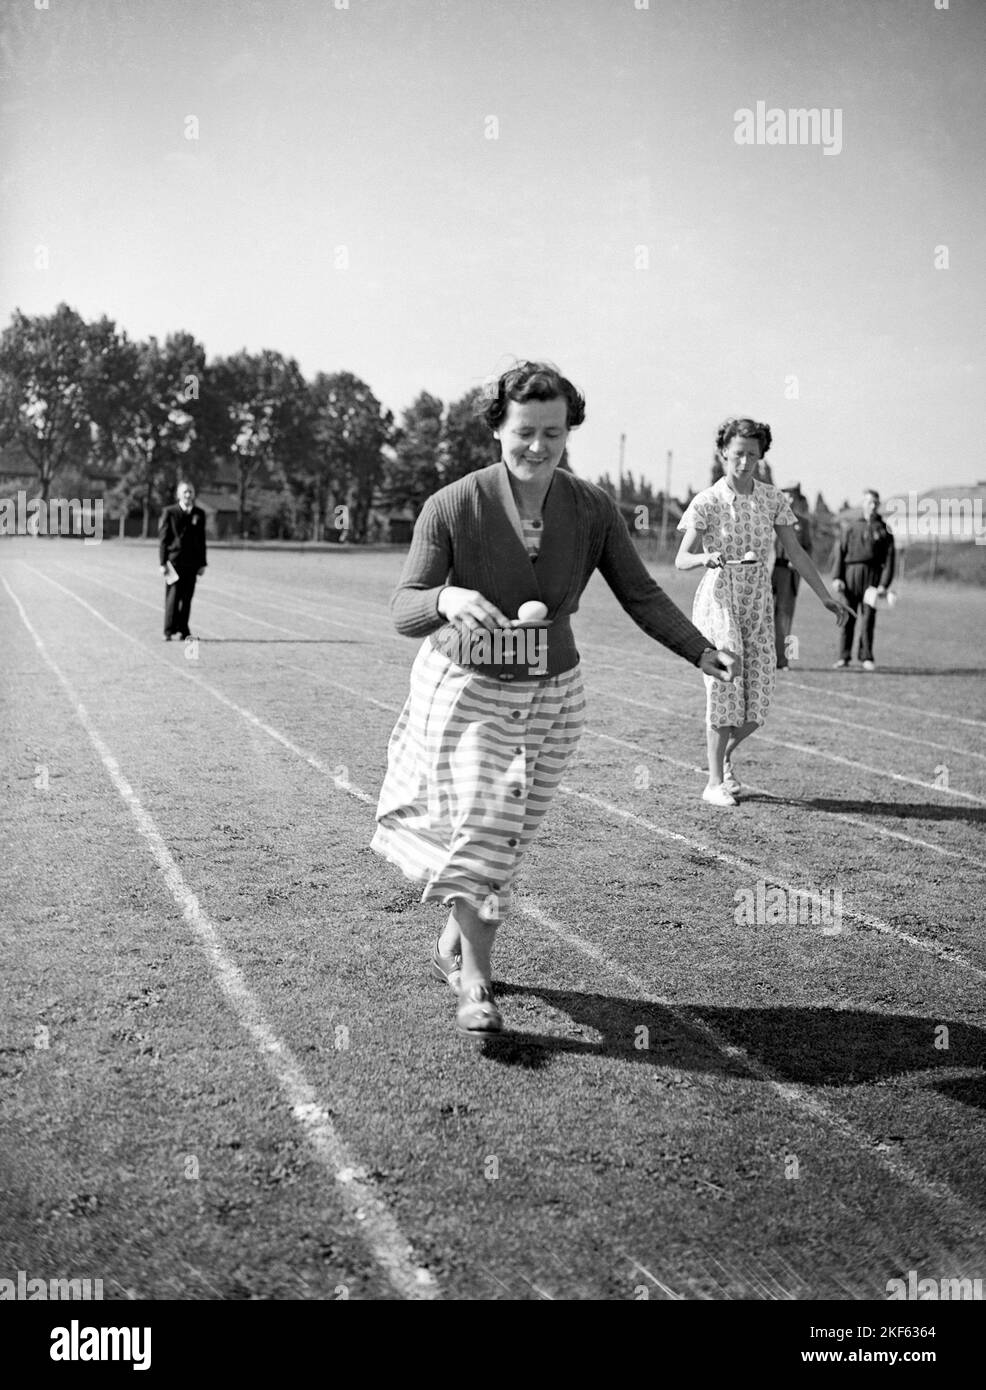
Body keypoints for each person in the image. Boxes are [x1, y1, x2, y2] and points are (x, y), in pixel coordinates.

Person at [371, 361, 737, 1038]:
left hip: (554, 697)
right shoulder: (453, 505)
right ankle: (476, 983)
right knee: (484, 823)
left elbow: (641, 591)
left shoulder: (591, 508)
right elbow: (404, 607)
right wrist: (447, 598)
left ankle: (457, 942)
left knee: (507, 838)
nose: (537, 446)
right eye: (523, 432)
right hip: (472, 690)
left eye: (553, 432)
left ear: (569, 431)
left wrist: (698, 648)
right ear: (496, 431)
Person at [676, 418, 851, 807]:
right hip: (719, 599)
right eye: (738, 454)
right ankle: (714, 783)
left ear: (761, 456)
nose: (744, 462)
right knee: (728, 678)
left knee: (757, 705)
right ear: (724, 454)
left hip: (758, 601)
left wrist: (824, 596)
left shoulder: (773, 499)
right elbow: (681, 557)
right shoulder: (707, 501)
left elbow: (796, 552)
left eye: (752, 455)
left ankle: (722, 755)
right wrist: (706, 557)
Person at [833, 489, 896, 671]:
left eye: (876, 503)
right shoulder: (851, 527)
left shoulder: (884, 530)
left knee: (868, 619)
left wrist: (884, 584)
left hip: (872, 578)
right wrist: (838, 577)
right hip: (851, 575)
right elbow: (840, 552)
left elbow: (890, 560)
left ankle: (866, 656)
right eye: (869, 502)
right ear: (863, 504)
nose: (872, 506)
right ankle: (843, 657)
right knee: (848, 617)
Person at [772, 483, 813, 671]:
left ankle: (783, 660)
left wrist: (797, 563)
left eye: (791, 497)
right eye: (785, 496)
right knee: (764, 616)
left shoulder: (802, 523)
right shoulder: (768, 518)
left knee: (785, 617)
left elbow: (807, 549)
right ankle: (763, 658)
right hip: (768, 572)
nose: (788, 500)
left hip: (788, 575)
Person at [158, 481, 207, 641]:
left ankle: (184, 630)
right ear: (179, 494)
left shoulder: (199, 513)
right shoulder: (170, 512)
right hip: (174, 562)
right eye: (185, 492)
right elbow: (164, 539)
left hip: (192, 563)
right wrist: (162, 562)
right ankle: (168, 630)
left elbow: (201, 540)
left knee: (187, 598)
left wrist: (202, 563)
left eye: (190, 492)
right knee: (173, 597)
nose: (188, 495)